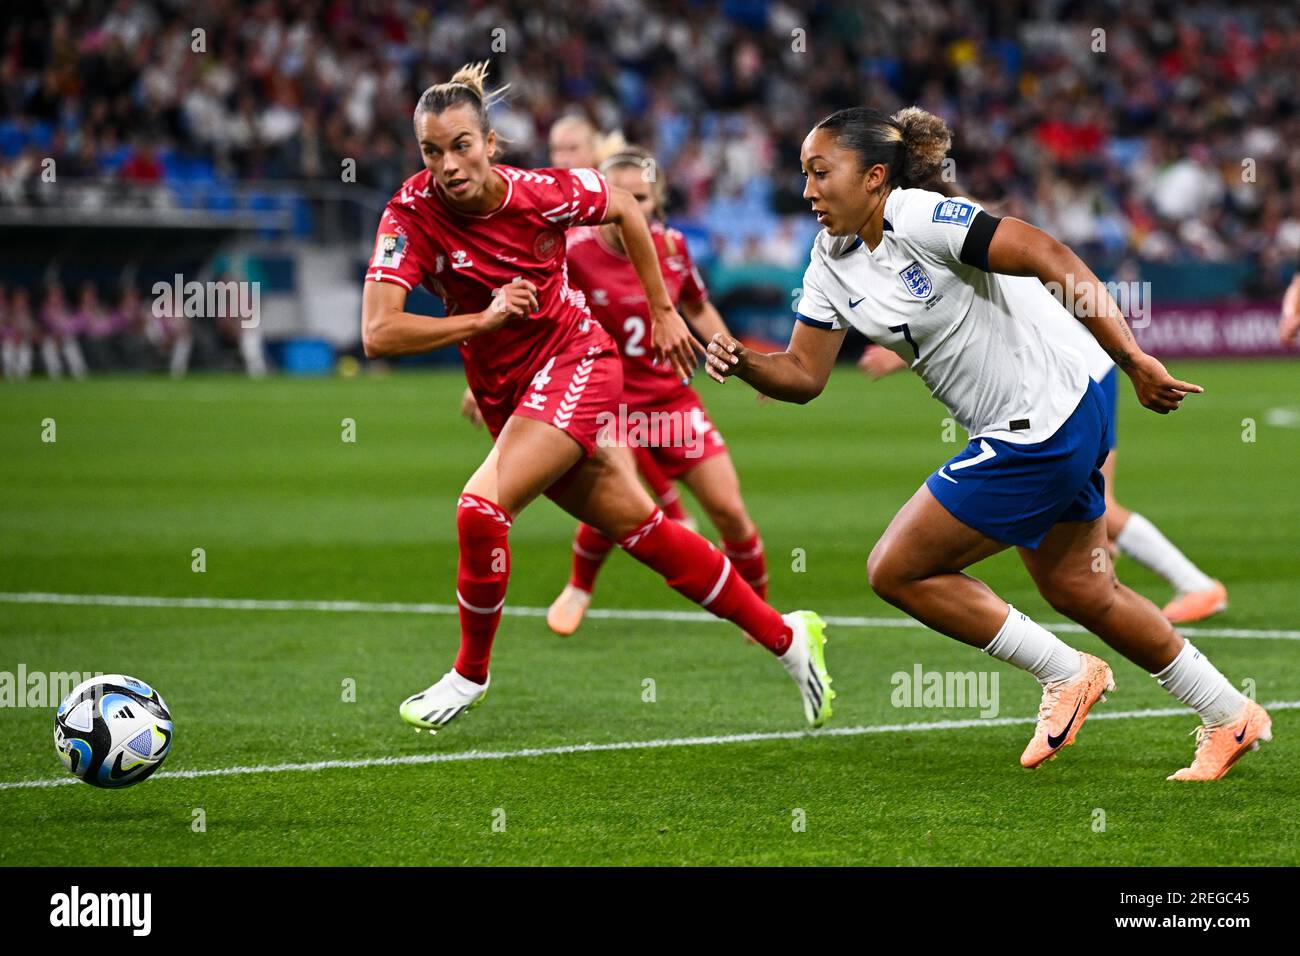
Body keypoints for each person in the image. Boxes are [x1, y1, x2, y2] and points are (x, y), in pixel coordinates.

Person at [706, 106, 1270, 781]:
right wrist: (742, 360)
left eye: (821, 172)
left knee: (897, 568)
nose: (807, 191)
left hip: (1045, 419)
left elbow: (1045, 253)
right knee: (1082, 590)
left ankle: (1066, 674)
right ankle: (1230, 713)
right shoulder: (830, 261)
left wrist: (1132, 355)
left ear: (875, 176)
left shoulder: (915, 215)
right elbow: (803, 373)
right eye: (804, 174)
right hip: (1056, 409)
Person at [360, 62, 832, 734]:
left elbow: (620, 204)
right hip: (508, 392)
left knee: (479, 511)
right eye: (432, 151)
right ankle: (789, 640)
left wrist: (664, 310)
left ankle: (470, 673)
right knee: (645, 533)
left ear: (491, 143)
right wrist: (481, 323)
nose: (447, 164)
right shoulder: (410, 212)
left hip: (578, 362)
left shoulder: (542, 192)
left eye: (461, 145)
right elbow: (378, 332)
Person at [858, 315, 1227, 623]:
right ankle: (1154, 577)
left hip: (1074, 374)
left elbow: (971, 324)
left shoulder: (951, 249)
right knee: (1094, 511)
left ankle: (1196, 585)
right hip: (1080, 366)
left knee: (1100, 507)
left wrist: (901, 357)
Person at [543, 146, 769, 635]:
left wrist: (741, 360)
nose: (633, 207)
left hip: (670, 402)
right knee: (618, 504)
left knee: (731, 511)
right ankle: (579, 586)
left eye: (642, 197)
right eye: (622, 196)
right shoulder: (574, 251)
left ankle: (760, 611)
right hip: (605, 405)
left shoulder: (671, 248)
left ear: (658, 200)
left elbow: (697, 307)